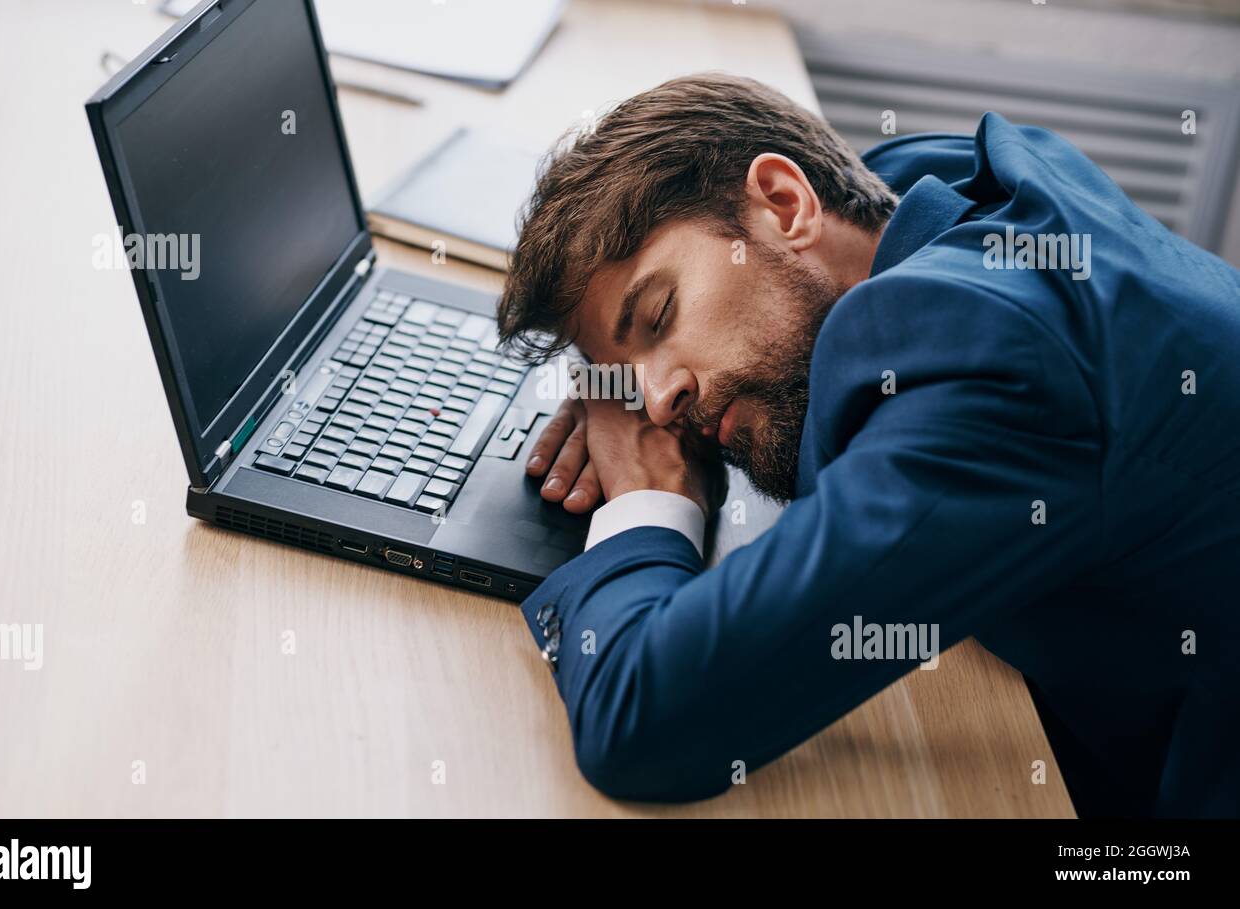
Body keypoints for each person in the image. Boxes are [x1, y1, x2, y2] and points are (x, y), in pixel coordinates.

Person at [495, 73, 1240, 816]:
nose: (655, 403)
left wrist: (647, 499)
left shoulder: (992, 360)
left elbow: (643, 723)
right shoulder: (922, 195)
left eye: (658, 315)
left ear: (786, 203)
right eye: (621, 377)